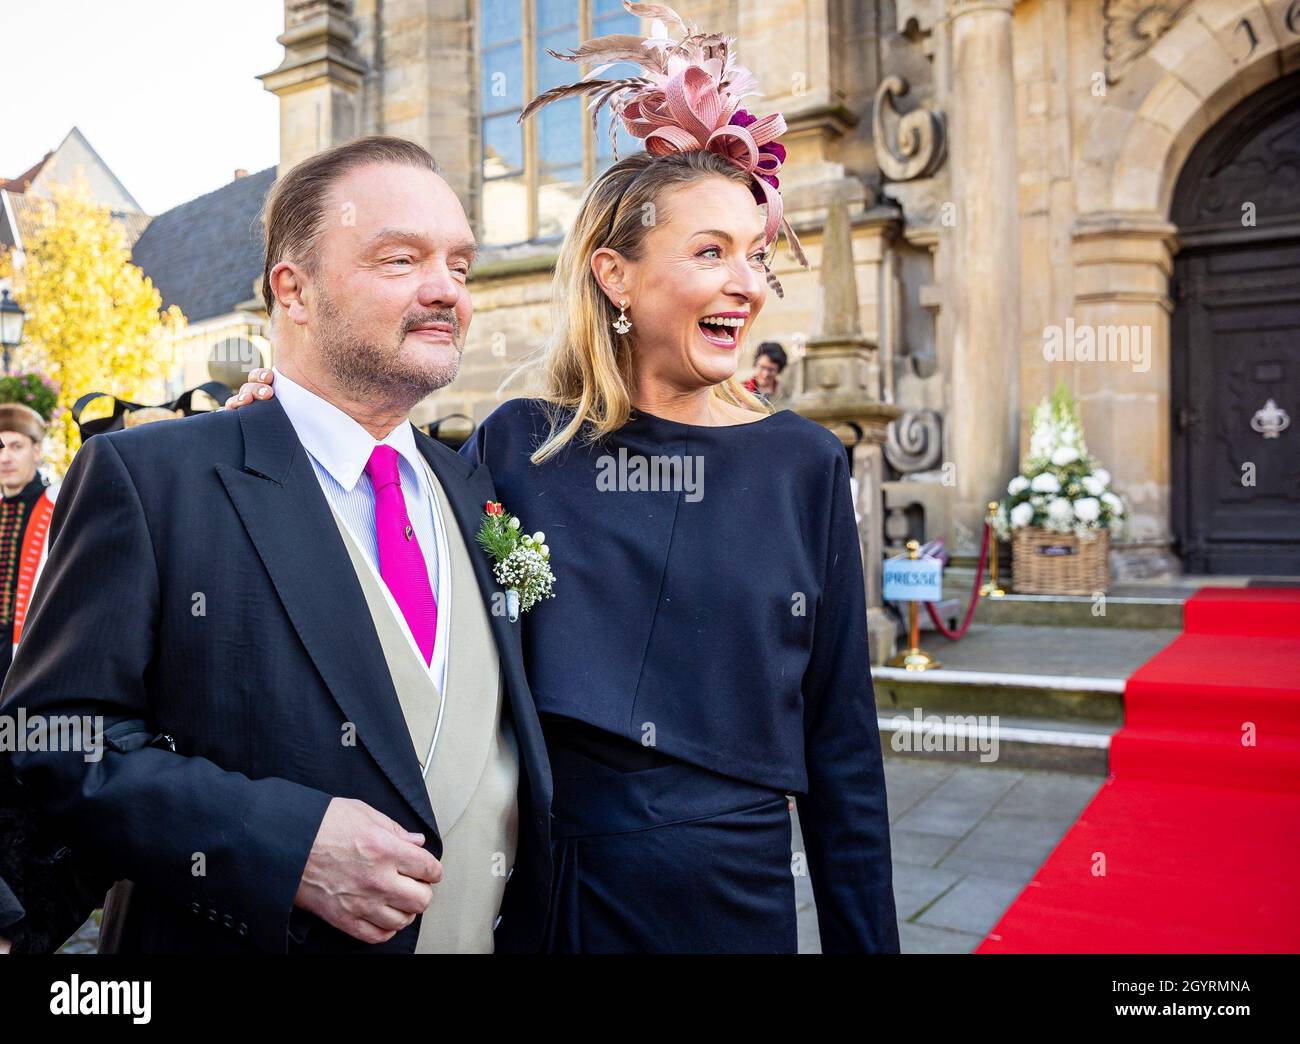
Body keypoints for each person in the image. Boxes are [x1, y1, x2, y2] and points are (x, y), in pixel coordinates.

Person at [234, 4, 898, 954]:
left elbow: (844, 751)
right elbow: (376, 564)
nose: (748, 281)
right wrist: (281, 432)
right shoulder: (517, 448)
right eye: (709, 251)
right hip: (556, 901)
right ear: (614, 276)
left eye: (756, 254)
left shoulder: (804, 465)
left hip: (738, 904)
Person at [1, 134, 552, 954]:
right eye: (401, 260)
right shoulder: (150, 479)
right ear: (293, 290)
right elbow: (53, 742)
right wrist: (280, 844)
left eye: (461, 266)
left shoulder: (473, 490)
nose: (447, 291)